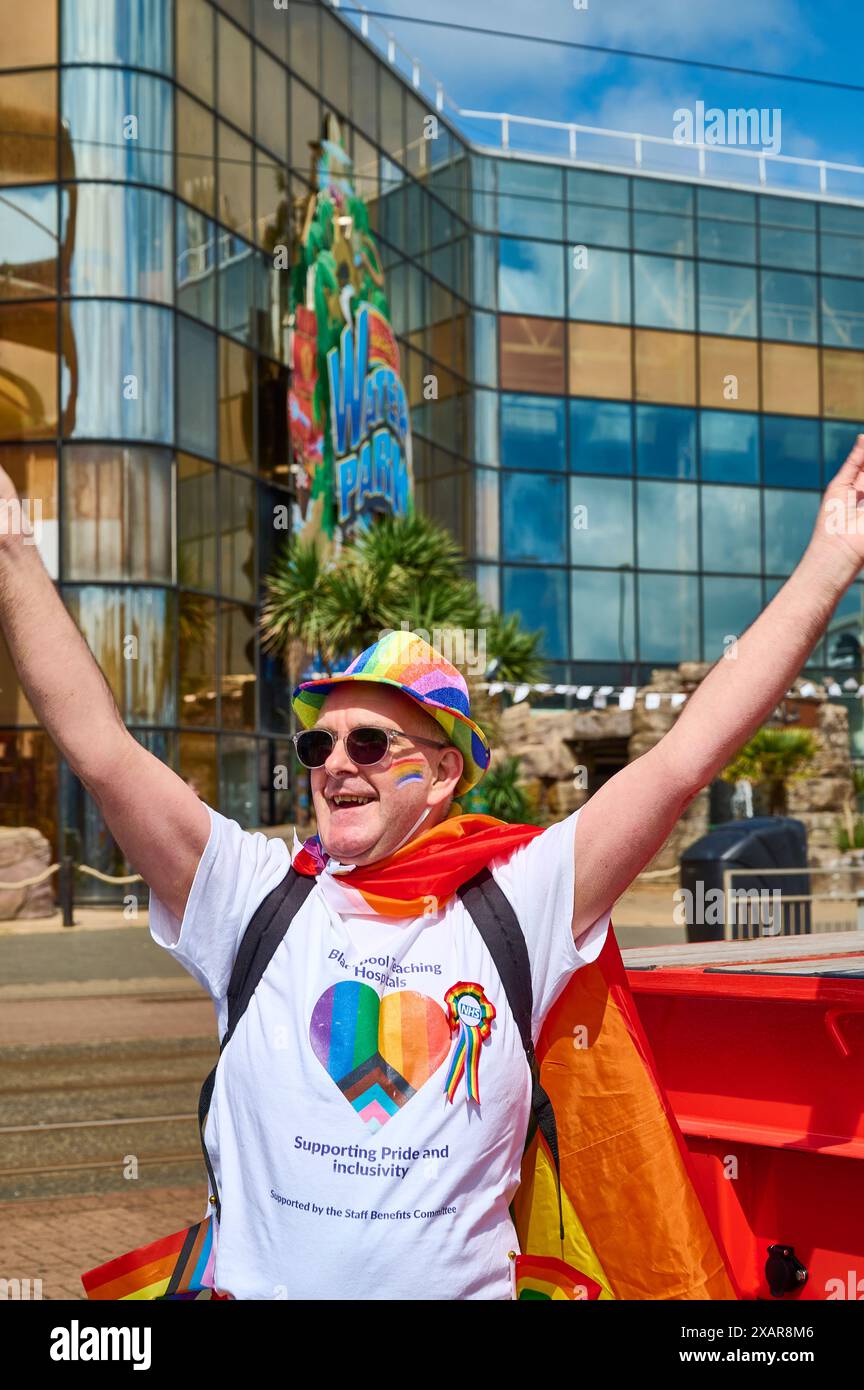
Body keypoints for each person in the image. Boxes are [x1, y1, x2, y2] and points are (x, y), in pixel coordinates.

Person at [2, 438, 864, 1299]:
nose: (337, 763)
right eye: (318, 743)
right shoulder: (251, 896)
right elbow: (102, 753)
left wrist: (830, 557)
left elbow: (682, 760)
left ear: (444, 773)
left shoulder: (515, 901)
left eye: (371, 742)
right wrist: (13, 550)